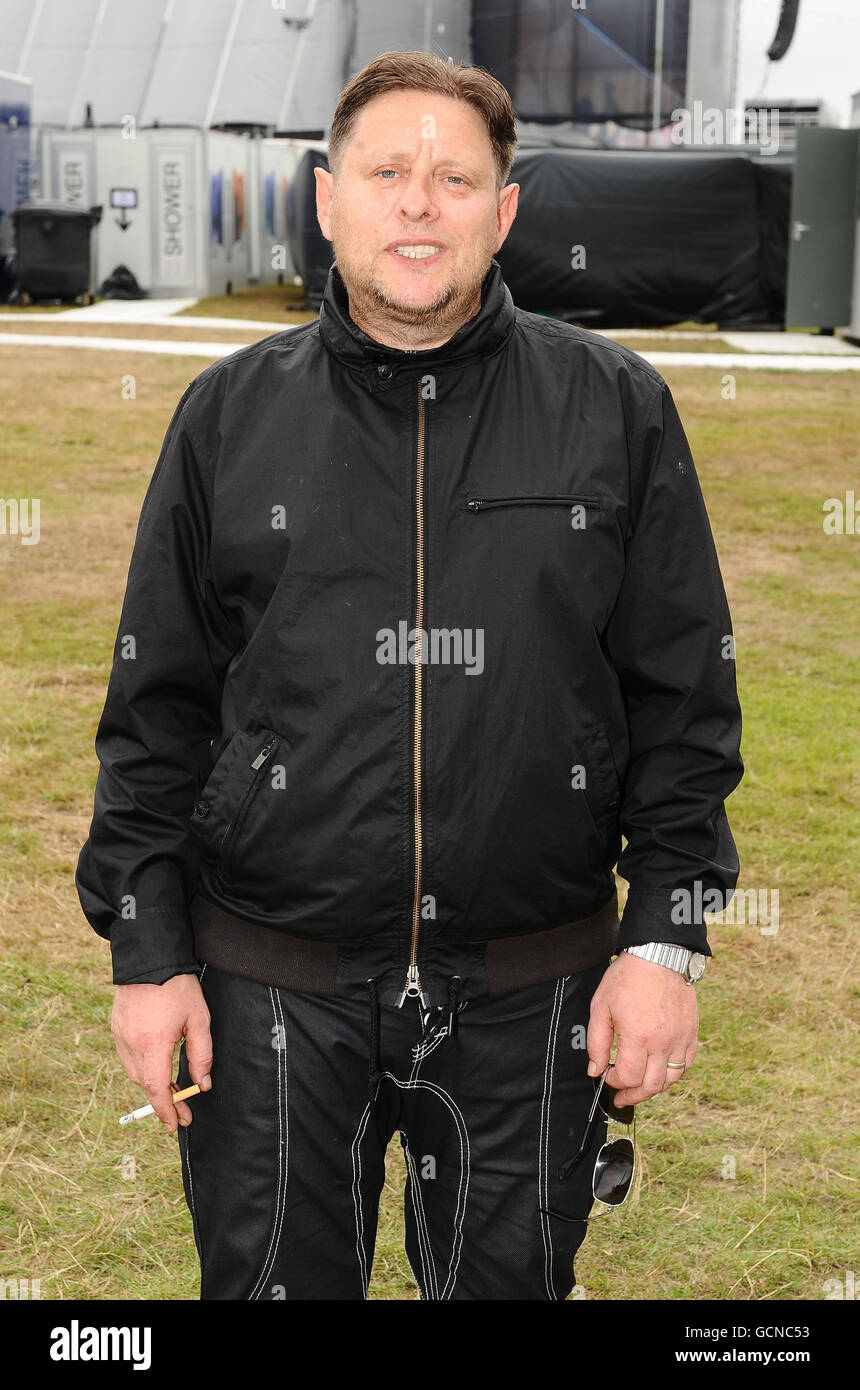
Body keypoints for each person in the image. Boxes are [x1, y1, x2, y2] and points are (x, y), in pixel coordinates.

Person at [76, 50, 743, 1301]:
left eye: (454, 177)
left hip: (528, 989)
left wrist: (664, 940)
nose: (418, 203)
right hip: (269, 983)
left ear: (503, 210)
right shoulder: (226, 415)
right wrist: (148, 952)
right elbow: (153, 711)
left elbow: (683, 707)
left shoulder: (615, 410)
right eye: (388, 172)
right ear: (328, 199)